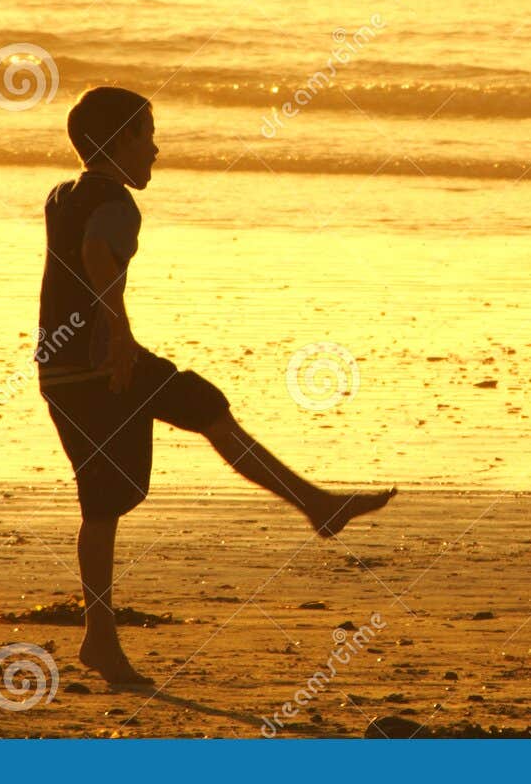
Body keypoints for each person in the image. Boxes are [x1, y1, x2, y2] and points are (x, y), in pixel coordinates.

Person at [37, 85, 395, 685]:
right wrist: (119, 334)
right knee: (103, 508)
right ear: (121, 140)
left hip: (64, 365)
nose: (156, 149)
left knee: (204, 406)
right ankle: (100, 642)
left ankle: (317, 504)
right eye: (147, 136)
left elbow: (75, 261)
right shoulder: (120, 205)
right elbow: (97, 257)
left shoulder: (62, 194)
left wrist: (117, 337)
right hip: (98, 370)